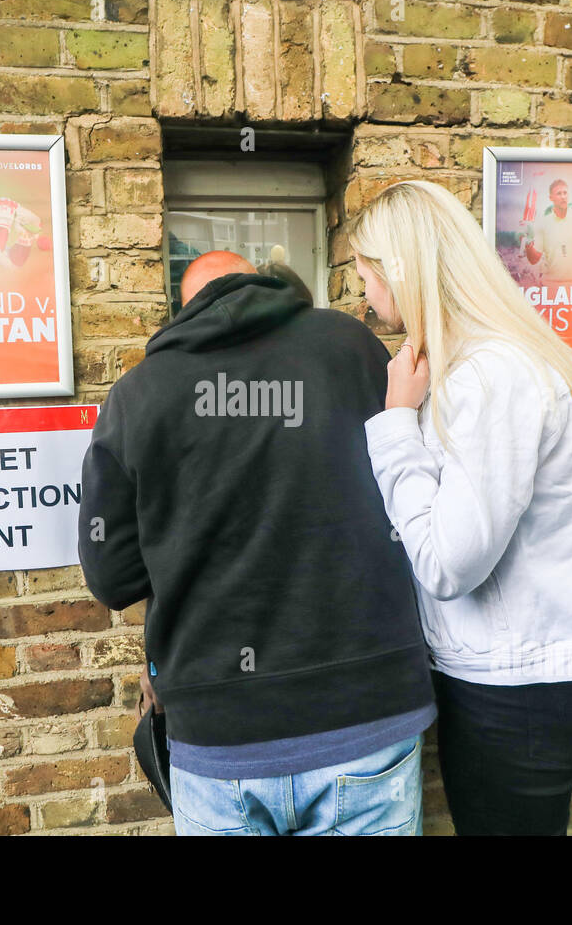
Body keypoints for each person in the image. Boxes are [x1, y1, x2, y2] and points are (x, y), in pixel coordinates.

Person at [348, 180, 572, 835]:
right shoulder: (513, 354)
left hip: (515, 699)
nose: (364, 293)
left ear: (402, 270)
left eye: (366, 273)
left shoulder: (489, 376)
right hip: (526, 686)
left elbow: (448, 565)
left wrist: (393, 423)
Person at [78, 250, 435, 836]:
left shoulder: (136, 398)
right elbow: (418, 489)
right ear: (261, 282)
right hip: (365, 716)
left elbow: (112, 577)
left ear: (183, 308)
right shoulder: (350, 347)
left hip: (219, 734)